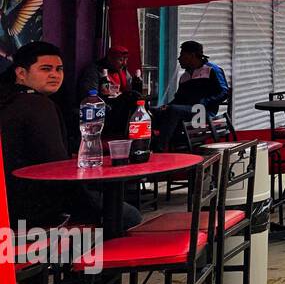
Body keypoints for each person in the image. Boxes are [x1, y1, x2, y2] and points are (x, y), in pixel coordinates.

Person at [0, 41, 140, 230]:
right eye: (45, 69)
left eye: (59, 69)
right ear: (21, 73)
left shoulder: (11, 100)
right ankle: (91, 257)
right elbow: (56, 168)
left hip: (9, 203)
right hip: (34, 208)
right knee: (129, 215)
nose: (54, 75)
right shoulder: (37, 106)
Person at [153, 40, 229, 150]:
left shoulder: (212, 70)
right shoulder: (184, 76)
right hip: (187, 111)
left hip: (204, 111)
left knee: (174, 111)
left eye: (182, 55)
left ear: (192, 55)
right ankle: (162, 144)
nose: (179, 58)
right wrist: (166, 106)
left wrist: (205, 101)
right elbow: (179, 99)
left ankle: (160, 147)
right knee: (157, 111)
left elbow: (224, 92)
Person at [76, 45, 143, 138]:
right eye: (120, 60)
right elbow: (89, 96)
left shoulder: (122, 71)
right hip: (105, 110)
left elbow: (129, 88)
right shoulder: (94, 71)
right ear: (110, 58)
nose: (124, 63)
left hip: (122, 108)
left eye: (126, 60)